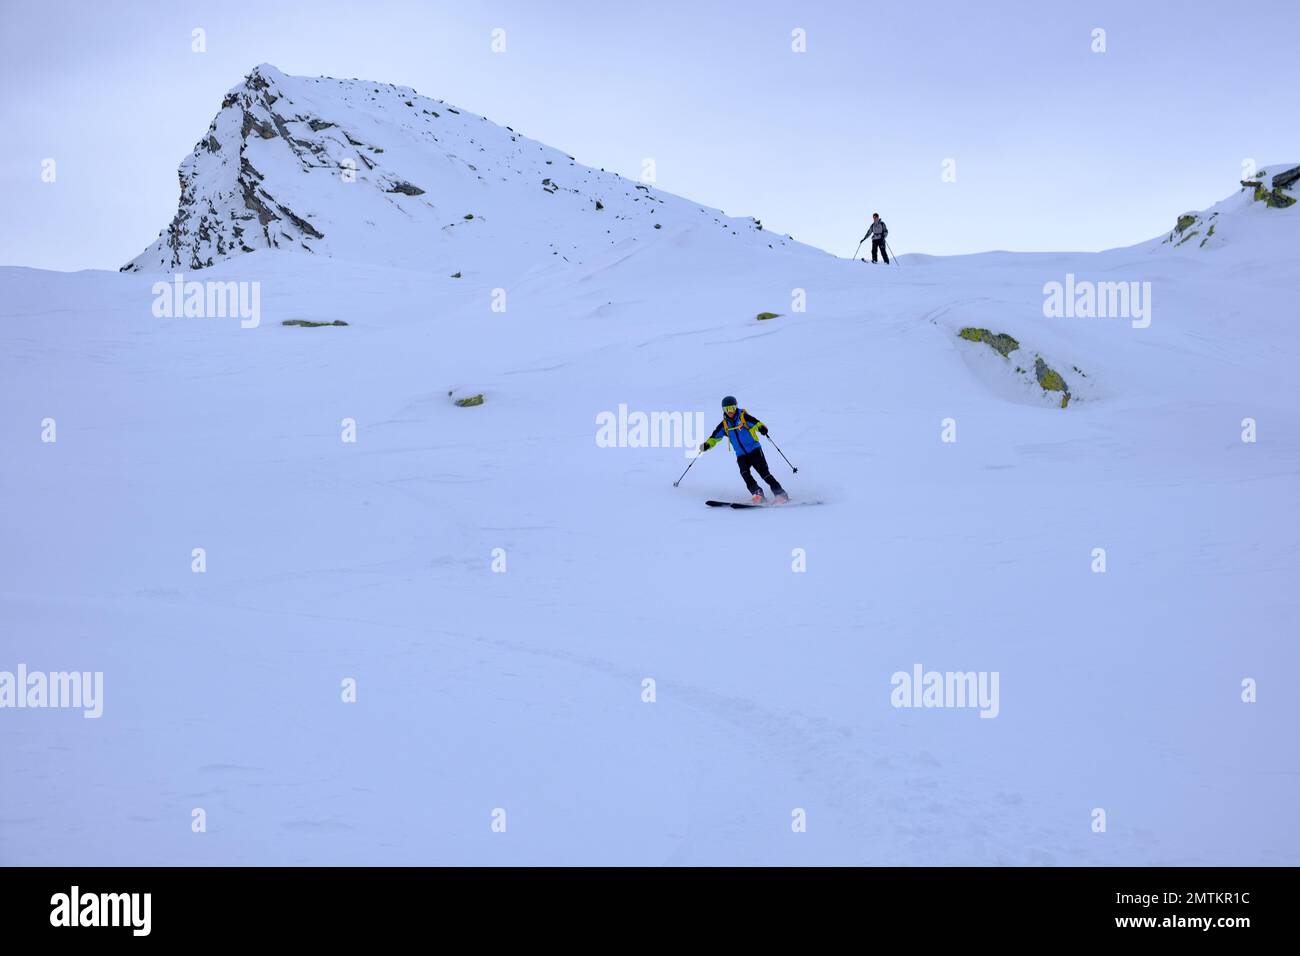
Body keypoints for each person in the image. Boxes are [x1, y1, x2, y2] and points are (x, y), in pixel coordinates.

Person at [698, 396, 788, 504]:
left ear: (736, 407)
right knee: (745, 474)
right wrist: (707, 445)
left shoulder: (744, 418)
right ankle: (758, 494)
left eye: (732, 408)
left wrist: (762, 428)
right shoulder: (724, 425)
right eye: (727, 409)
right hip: (741, 455)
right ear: (723, 410)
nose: (730, 411)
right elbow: (714, 437)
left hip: (754, 450)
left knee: (764, 473)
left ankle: (780, 494)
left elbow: (757, 423)